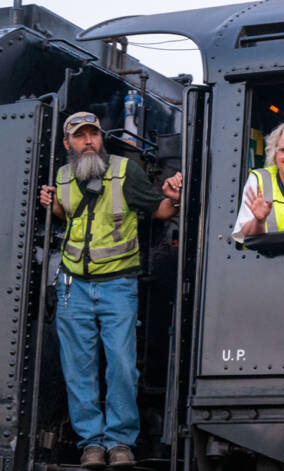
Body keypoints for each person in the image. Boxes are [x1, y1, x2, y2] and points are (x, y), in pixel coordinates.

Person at [38, 112, 182, 469]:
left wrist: (174, 197)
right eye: (81, 136)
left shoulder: (125, 171)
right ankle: (91, 444)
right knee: (78, 368)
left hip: (118, 285)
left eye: (94, 135)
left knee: (120, 365)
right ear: (68, 143)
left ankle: (119, 442)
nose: (89, 141)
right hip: (74, 285)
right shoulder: (62, 176)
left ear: (101, 139)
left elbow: (160, 211)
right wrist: (51, 204)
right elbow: (67, 216)